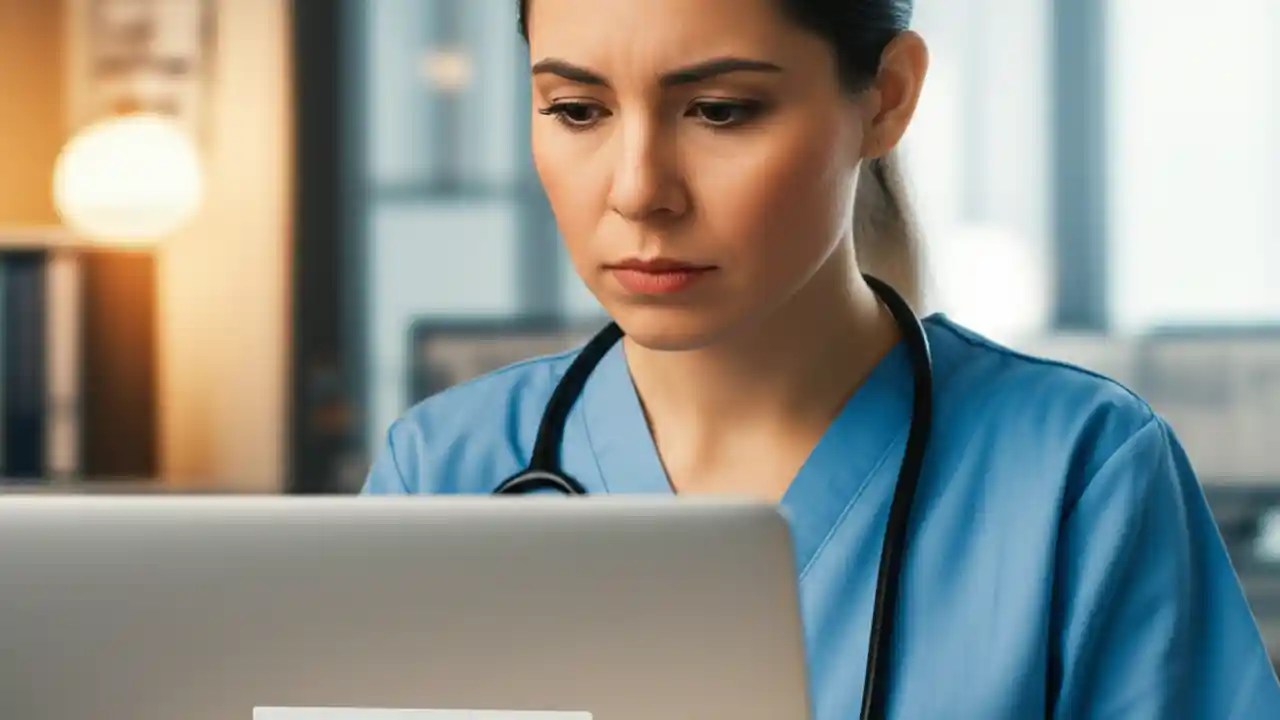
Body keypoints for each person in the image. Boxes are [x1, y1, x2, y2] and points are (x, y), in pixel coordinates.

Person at [363, 0, 1280, 716]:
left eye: (720, 110)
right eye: (576, 109)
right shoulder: (443, 471)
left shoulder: (1080, 475)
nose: (638, 190)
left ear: (885, 99)